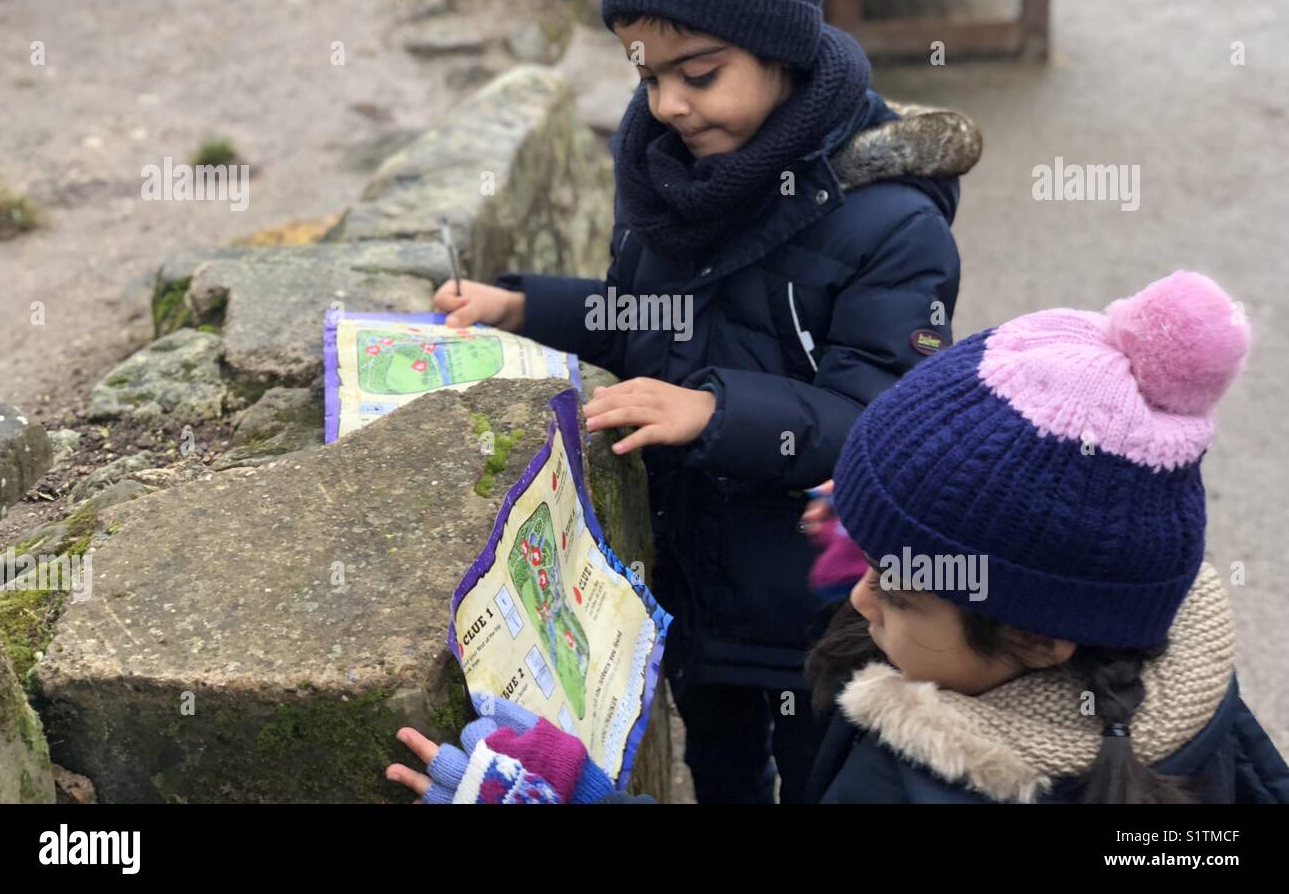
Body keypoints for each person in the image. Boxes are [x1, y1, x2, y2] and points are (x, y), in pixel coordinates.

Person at [428, 0, 972, 804]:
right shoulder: (673, 178)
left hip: (822, 608)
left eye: (701, 73)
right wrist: (523, 304)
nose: (669, 105)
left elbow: (879, 419)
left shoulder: (890, 226)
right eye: (647, 77)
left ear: (783, 51)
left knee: (816, 780)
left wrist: (710, 412)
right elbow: (642, 315)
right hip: (695, 586)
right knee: (717, 767)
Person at [390, 270, 1289, 804]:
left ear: (1039, 637)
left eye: (897, 590)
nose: (857, 595)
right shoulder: (1185, 684)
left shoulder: (922, 785)